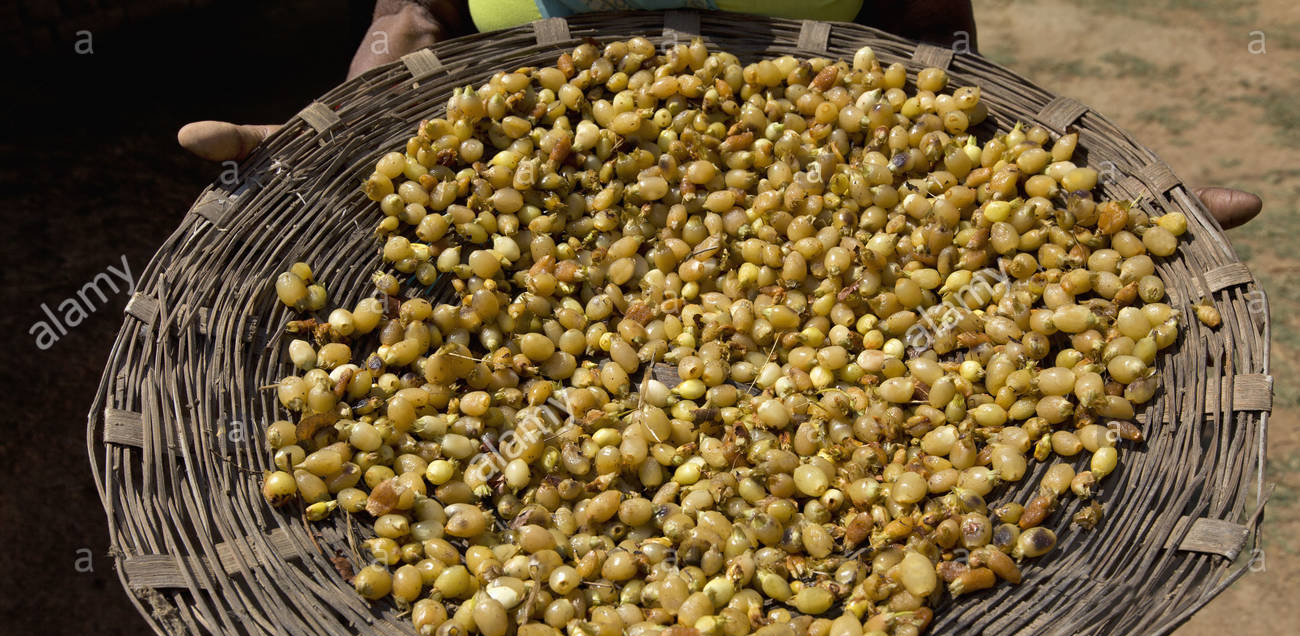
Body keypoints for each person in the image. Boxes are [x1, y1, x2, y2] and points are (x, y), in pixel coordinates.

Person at [178, 0, 1260, 229]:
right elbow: (413, 6)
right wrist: (354, 119)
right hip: (538, 204)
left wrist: (1022, 177)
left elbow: (935, 40)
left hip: (803, 181)